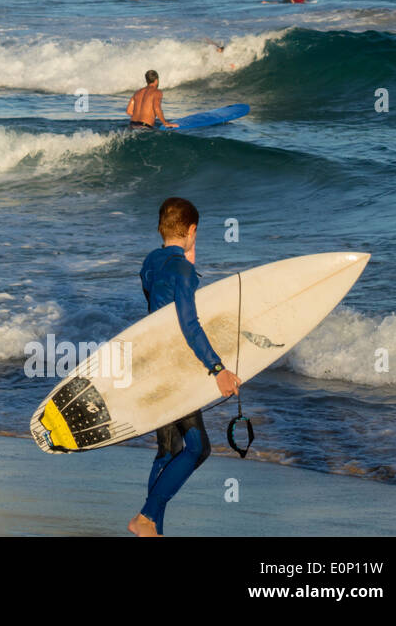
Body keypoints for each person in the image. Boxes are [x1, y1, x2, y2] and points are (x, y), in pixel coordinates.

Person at [129, 197, 240, 536]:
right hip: (173, 371)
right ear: (192, 230)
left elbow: (159, 302)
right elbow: (189, 325)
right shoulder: (184, 271)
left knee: (168, 449)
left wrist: (187, 264)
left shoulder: (151, 261)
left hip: (150, 364)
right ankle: (146, 517)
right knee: (196, 448)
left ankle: (154, 530)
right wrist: (218, 368)